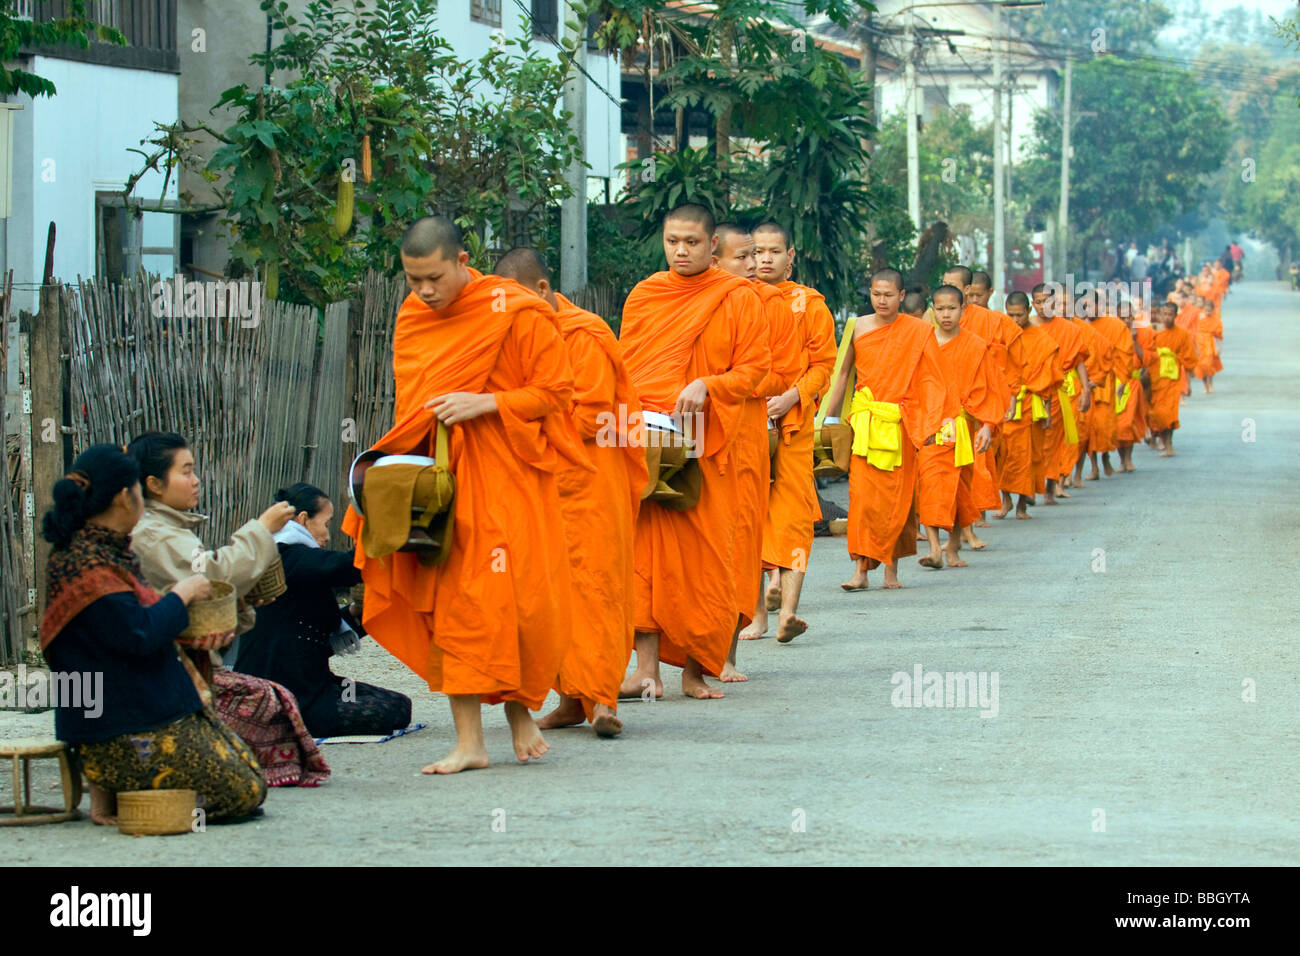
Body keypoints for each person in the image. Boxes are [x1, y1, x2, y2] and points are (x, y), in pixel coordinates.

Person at [340, 216, 588, 773]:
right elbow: (414, 405)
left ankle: (520, 714)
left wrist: (488, 404)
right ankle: (469, 742)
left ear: (461, 261)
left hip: (511, 477)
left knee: (515, 602)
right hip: (443, 482)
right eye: (413, 280)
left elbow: (556, 393)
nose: (425, 291)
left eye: (434, 278)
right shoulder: (412, 317)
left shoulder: (515, 309)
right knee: (456, 605)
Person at [39, 444, 266, 825]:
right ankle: (134, 798)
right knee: (243, 793)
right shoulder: (88, 566)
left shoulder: (100, 553)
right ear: (123, 499)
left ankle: (125, 791)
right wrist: (184, 593)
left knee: (251, 775)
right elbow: (140, 634)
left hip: (133, 714)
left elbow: (128, 629)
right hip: (120, 730)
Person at [491, 247, 646, 737]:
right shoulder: (519, 335)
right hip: (543, 478)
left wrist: (519, 419)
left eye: (519, 302)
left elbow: (594, 415)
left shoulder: (585, 333)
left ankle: (601, 697)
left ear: (542, 290)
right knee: (551, 590)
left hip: (593, 478)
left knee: (597, 586)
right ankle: (567, 700)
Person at [617, 204, 767, 699]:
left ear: (713, 247)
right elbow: (626, 370)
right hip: (650, 442)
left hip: (708, 445)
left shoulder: (737, 298)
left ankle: (696, 670)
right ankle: (647, 670)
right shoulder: (645, 295)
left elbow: (754, 372)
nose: (681, 251)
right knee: (643, 558)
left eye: (692, 243)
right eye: (672, 241)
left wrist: (708, 383)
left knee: (704, 560)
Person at [127, 431, 331, 787]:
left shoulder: (167, 527)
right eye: (186, 471)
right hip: (171, 671)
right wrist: (261, 531)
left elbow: (211, 591)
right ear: (154, 484)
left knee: (275, 698)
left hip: (185, 661)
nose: (195, 481)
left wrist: (244, 599)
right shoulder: (154, 534)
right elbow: (214, 575)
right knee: (269, 701)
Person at [235, 483, 413, 738]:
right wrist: (383, 530)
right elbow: (345, 566)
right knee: (389, 711)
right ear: (304, 519)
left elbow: (319, 638)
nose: (328, 536)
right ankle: (288, 723)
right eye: (327, 523)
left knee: (398, 703)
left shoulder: (297, 559)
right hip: (284, 691)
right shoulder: (283, 556)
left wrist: (355, 612)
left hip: (310, 682)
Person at [822, 268, 950, 591]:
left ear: (902, 296)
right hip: (865, 422)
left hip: (900, 423)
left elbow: (933, 379)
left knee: (897, 499)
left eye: (888, 295)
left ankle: (891, 570)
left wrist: (933, 422)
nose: (881, 300)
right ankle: (861, 571)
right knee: (862, 500)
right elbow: (842, 375)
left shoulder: (918, 331)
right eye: (876, 294)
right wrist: (828, 418)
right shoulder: (857, 326)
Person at [743, 221, 837, 643]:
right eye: (757, 251)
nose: (764, 259)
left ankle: (789, 613)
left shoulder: (808, 303)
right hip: (745, 422)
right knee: (749, 514)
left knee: (794, 513)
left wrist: (792, 397)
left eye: (773, 251)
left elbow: (824, 365)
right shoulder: (739, 299)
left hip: (794, 424)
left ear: (790, 256)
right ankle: (758, 615)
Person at [707, 222, 795, 675]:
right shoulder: (682, 302)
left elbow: (783, 371)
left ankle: (726, 654)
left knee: (740, 540)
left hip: (744, 436)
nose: (754, 265)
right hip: (694, 438)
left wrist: (735, 382)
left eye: (757, 255)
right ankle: (677, 660)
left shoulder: (769, 305)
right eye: (743, 257)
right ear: (714, 259)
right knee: (690, 549)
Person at [917, 285, 1002, 568]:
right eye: (940, 309)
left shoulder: (976, 345)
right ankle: (933, 548)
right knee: (929, 486)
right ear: (932, 310)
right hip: (930, 428)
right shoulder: (921, 342)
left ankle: (952, 546)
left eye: (952, 308)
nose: (945, 315)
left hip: (964, 427)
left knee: (957, 491)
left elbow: (990, 389)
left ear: (963, 310)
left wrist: (988, 425)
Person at [996, 291, 1061, 520]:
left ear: (1028, 312)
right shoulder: (1002, 337)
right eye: (1011, 315)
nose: (1015, 320)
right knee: (1005, 455)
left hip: (1031, 406)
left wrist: (1049, 411)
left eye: (1020, 315)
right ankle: (1005, 501)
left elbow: (1050, 379)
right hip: (1006, 404)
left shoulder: (1042, 340)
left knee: (1030, 457)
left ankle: (1022, 505)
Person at [1035, 282, 1091, 503]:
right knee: (1035, 443)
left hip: (1061, 390)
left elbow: (1079, 362)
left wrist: (1086, 390)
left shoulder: (1070, 330)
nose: (1045, 306)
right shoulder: (1028, 327)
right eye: (1039, 302)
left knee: (1055, 442)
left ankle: (1051, 487)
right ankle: (1029, 489)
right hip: (1035, 392)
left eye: (1049, 301)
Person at [1146, 301, 1198, 456]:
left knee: (1169, 412)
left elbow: (1188, 358)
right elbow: (1147, 354)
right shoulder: (1154, 332)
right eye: (1165, 314)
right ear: (1161, 315)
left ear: (1176, 316)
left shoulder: (1182, 334)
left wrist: (1187, 384)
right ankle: (1160, 440)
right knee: (1155, 412)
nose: (1167, 317)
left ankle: (1169, 445)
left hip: (1172, 378)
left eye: (1170, 314)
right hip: (1155, 377)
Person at [1191, 299, 1223, 394]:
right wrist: (1195, 347)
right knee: (1200, 366)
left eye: (1209, 310)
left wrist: (1219, 347)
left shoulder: (1216, 320)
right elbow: (1194, 331)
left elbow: (1219, 334)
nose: (1208, 312)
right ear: (1203, 309)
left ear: (1213, 310)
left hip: (1210, 343)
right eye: (1206, 310)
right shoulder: (1198, 318)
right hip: (1199, 343)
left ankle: (1210, 384)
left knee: (1209, 364)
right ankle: (1205, 386)